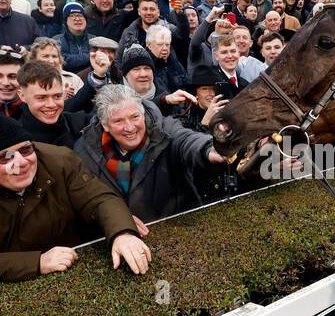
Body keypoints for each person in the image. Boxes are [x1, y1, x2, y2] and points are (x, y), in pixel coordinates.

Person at [0, 111, 150, 289]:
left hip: (76, 272)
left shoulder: (59, 160)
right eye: (5, 157)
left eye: (26, 149)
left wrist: (122, 232)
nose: (21, 162)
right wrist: (36, 263)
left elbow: (99, 198)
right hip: (6, 296)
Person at [74, 83, 229, 222]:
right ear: (105, 125)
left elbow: (186, 140)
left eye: (134, 117)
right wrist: (117, 221)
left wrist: (208, 148)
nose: (129, 127)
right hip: (123, 241)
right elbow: (87, 202)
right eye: (118, 121)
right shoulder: (86, 151)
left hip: (178, 229)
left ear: (143, 114)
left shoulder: (164, 130)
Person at [17, 62, 87, 148]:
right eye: (41, 98)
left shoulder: (79, 123)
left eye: (57, 96)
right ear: (22, 96)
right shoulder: (16, 139)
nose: (51, 104)